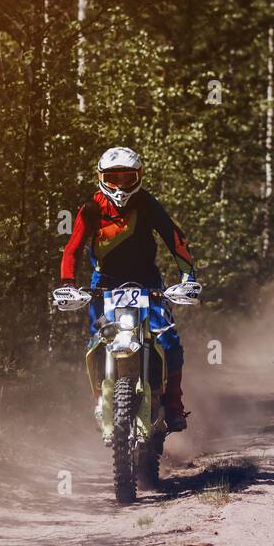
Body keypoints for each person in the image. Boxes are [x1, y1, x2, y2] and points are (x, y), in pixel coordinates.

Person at [59, 146, 197, 434]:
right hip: (104, 285)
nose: (120, 186)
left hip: (148, 283)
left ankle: (172, 405)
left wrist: (188, 277)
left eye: (127, 178)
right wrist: (68, 284)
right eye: (113, 179)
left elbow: (175, 238)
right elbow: (71, 250)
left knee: (168, 339)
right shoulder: (92, 208)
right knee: (98, 339)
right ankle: (100, 401)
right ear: (101, 178)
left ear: (139, 177)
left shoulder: (146, 204)